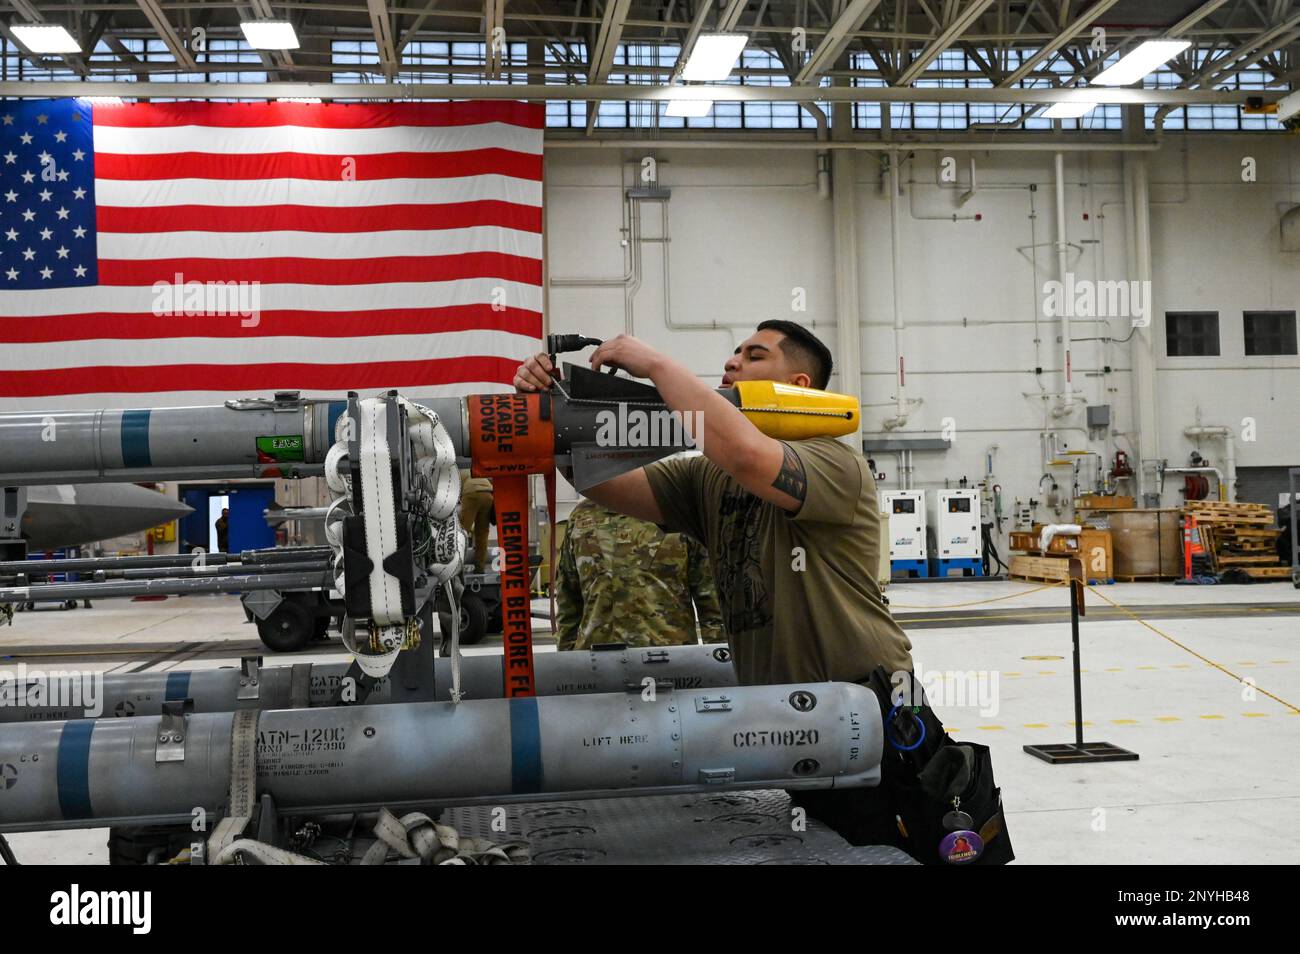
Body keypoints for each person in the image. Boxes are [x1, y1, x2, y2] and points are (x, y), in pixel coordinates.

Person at [514, 321, 915, 851]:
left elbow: (751, 456)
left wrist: (658, 367)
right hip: (790, 721)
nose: (732, 363)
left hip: (866, 710)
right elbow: (605, 486)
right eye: (733, 353)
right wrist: (553, 409)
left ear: (798, 385)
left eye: (754, 356)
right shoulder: (711, 475)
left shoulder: (834, 460)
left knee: (881, 846)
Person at [555, 497, 725, 651]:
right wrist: (566, 662)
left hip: (668, 658)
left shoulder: (676, 507)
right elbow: (568, 599)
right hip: (597, 660)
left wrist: (720, 662)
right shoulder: (583, 515)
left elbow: (711, 599)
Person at [458, 470, 495, 570]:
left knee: (462, 532)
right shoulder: (475, 471)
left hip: (471, 493)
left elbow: (454, 498)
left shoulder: (456, 475)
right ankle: (480, 567)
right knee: (482, 533)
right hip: (488, 494)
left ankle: (457, 566)